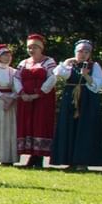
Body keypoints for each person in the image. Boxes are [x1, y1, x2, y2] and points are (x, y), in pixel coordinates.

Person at [51, 40, 102, 171]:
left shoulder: (94, 66)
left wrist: (86, 76)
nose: (83, 54)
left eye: (86, 52)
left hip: (87, 101)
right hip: (70, 100)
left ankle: (83, 161)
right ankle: (70, 160)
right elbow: (58, 73)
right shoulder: (71, 65)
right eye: (80, 51)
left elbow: (98, 85)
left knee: (85, 128)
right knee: (69, 127)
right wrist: (66, 62)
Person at [16, 34, 60, 167]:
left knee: (40, 124)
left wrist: (39, 93)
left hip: (43, 99)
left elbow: (52, 78)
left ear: (41, 48)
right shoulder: (23, 63)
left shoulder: (48, 61)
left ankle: (38, 157)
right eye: (29, 47)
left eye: (34, 47)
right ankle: (31, 155)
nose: (31, 50)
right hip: (26, 99)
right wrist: (21, 93)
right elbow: (16, 78)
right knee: (28, 124)